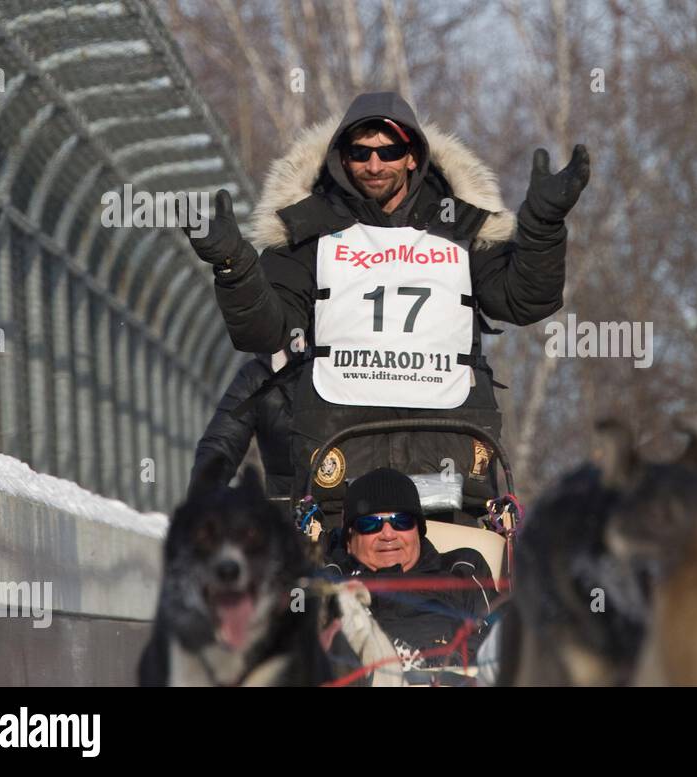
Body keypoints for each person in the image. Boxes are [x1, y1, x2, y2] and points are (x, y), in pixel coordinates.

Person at [186, 91, 588, 525]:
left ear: (413, 156)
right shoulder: (308, 233)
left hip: (447, 469)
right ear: (342, 157)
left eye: (389, 151)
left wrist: (544, 225)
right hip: (340, 469)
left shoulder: (461, 225)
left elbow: (523, 300)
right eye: (360, 153)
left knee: (460, 582)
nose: (374, 165)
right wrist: (234, 265)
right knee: (336, 588)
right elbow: (266, 332)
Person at [323, 467, 497, 675]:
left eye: (401, 522)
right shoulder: (327, 578)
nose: (388, 534)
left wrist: (447, 659)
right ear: (349, 539)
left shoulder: (462, 568)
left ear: (417, 530)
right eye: (370, 524)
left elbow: (499, 635)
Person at [189, 350, 297, 498]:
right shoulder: (259, 378)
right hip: (289, 512)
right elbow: (222, 442)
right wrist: (205, 493)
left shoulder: (337, 375)